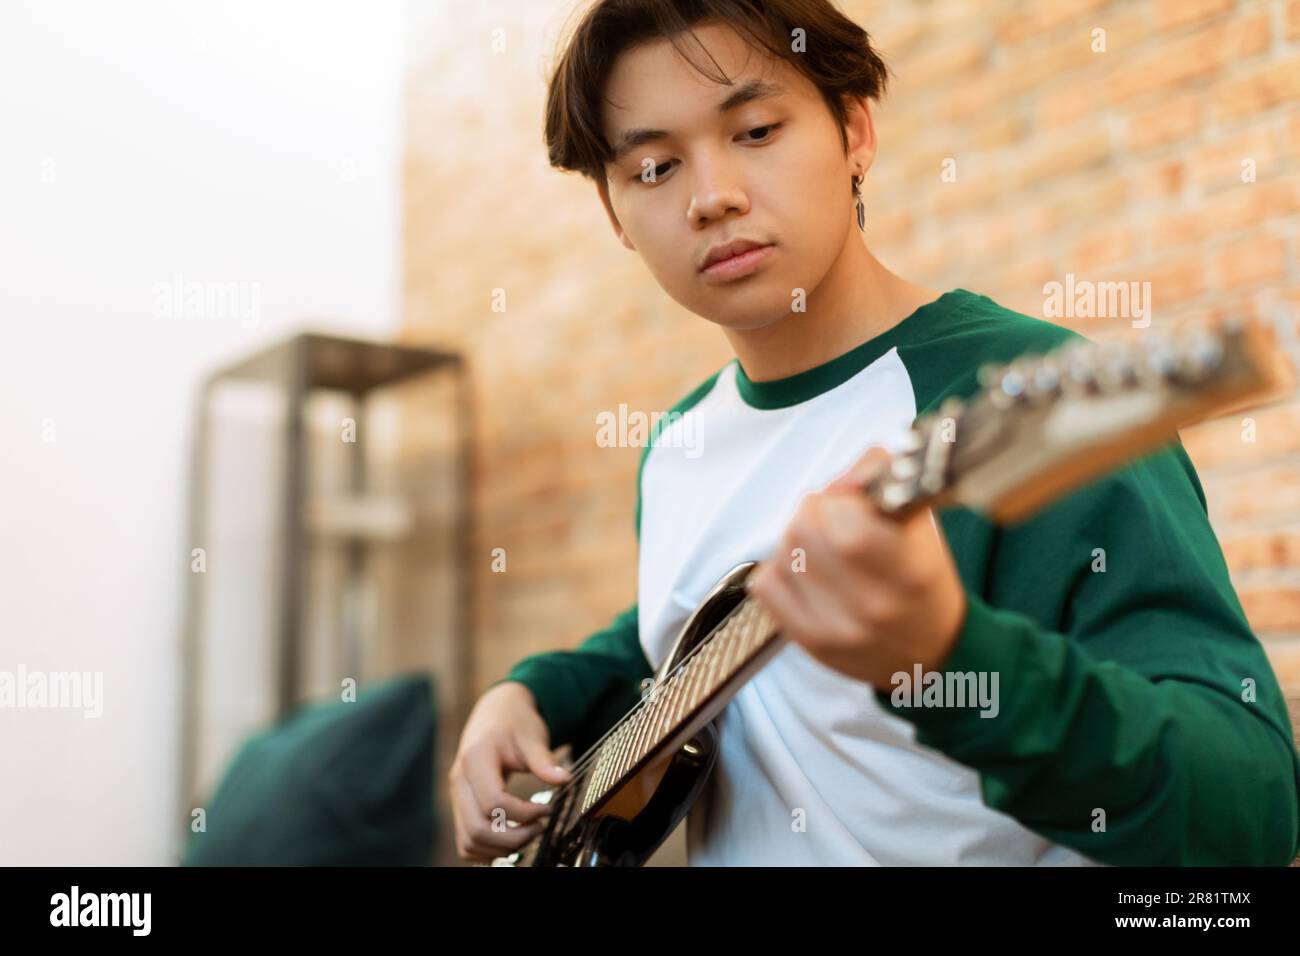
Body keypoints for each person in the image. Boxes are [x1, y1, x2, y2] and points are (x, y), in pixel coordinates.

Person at [449, 0, 1300, 866]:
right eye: (657, 166)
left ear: (855, 131)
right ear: (615, 216)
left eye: (756, 131)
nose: (713, 197)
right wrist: (529, 694)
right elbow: (673, 624)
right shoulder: (677, 443)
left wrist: (949, 660)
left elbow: (1251, 808)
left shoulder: (1008, 393)